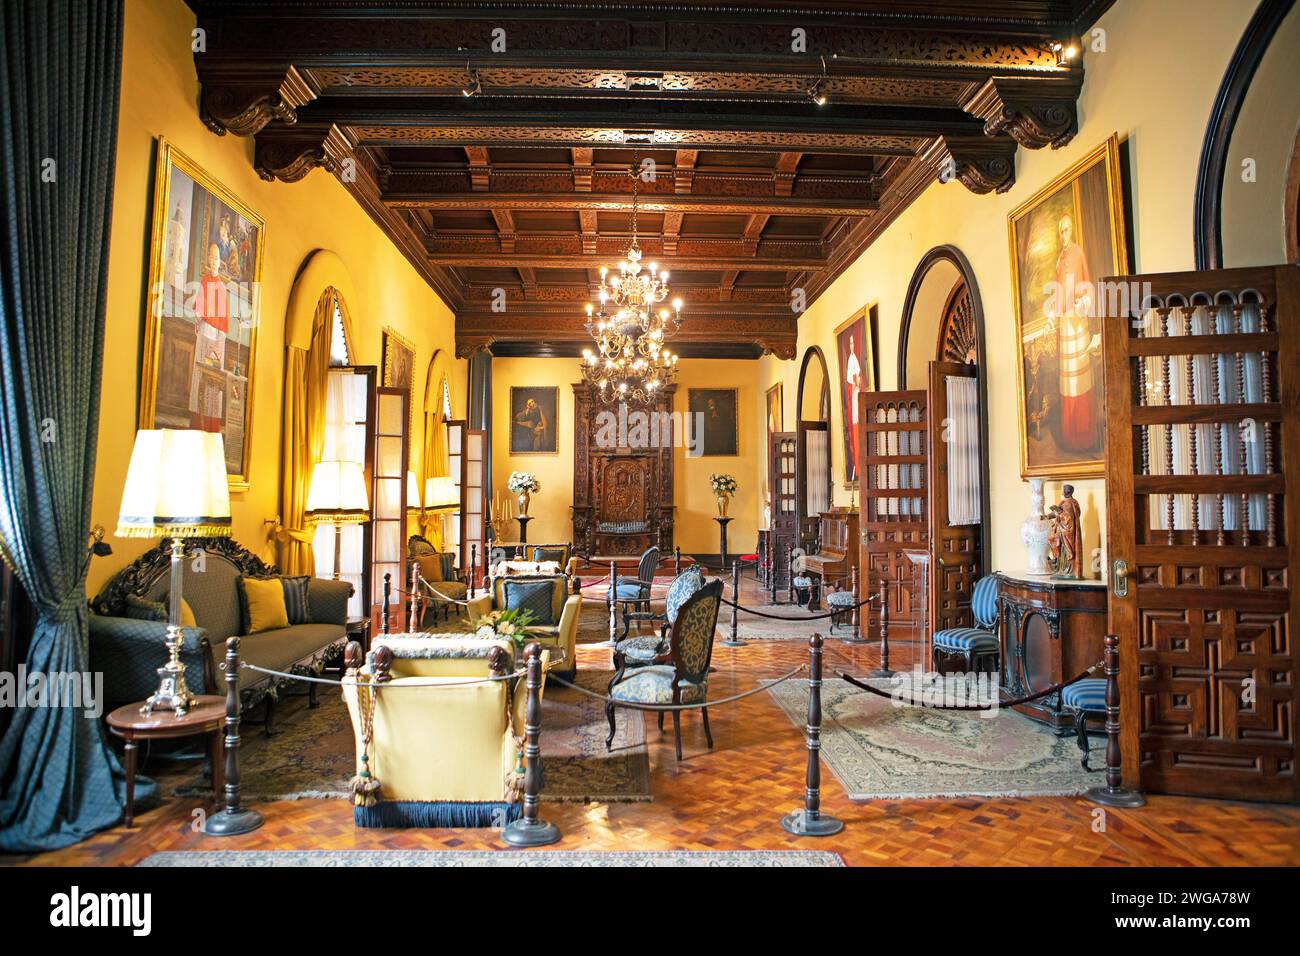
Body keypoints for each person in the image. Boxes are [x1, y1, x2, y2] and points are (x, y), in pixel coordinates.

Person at [1045, 213, 1100, 453]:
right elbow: (1058, 293)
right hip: (1065, 324)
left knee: (1081, 379)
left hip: (1078, 322)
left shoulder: (1078, 253)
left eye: (1067, 230)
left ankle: (1085, 435)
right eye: (1061, 232)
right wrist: (1052, 314)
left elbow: (1087, 285)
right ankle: (1070, 435)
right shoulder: (1059, 260)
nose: (1064, 235)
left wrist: (1082, 304)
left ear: (1072, 231)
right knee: (1068, 381)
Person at [843, 333, 862, 481]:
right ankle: (857, 467)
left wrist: (858, 383)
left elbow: (860, 380)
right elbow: (850, 384)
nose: (851, 346)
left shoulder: (856, 359)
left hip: (858, 401)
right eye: (849, 343)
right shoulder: (850, 360)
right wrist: (853, 385)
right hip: (853, 403)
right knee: (855, 434)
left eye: (853, 343)